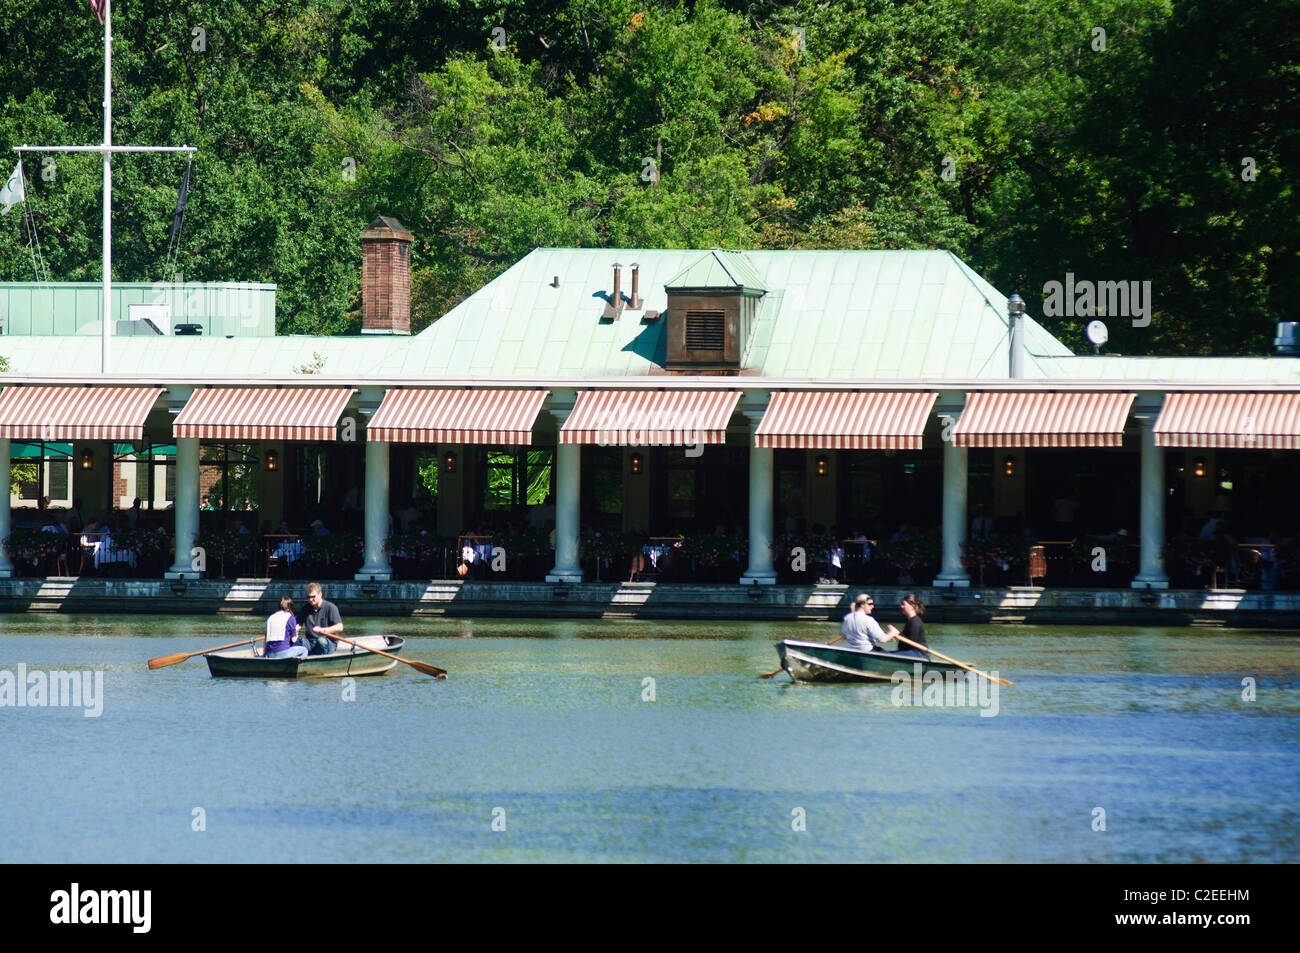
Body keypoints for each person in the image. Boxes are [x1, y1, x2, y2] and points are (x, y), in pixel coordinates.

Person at [300, 582, 343, 655]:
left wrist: (323, 630)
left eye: (313, 596)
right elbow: (297, 625)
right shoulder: (305, 609)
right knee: (299, 641)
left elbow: (340, 627)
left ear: (320, 594)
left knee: (321, 641)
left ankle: (323, 658)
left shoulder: (330, 607)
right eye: (308, 597)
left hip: (328, 641)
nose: (310, 599)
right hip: (310, 642)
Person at [884, 593, 930, 658]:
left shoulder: (915, 621)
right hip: (911, 652)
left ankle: (917, 668)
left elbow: (911, 643)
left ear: (912, 606)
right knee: (884, 652)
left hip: (918, 655)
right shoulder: (911, 620)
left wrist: (897, 633)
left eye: (903, 604)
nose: (901, 606)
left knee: (886, 655)